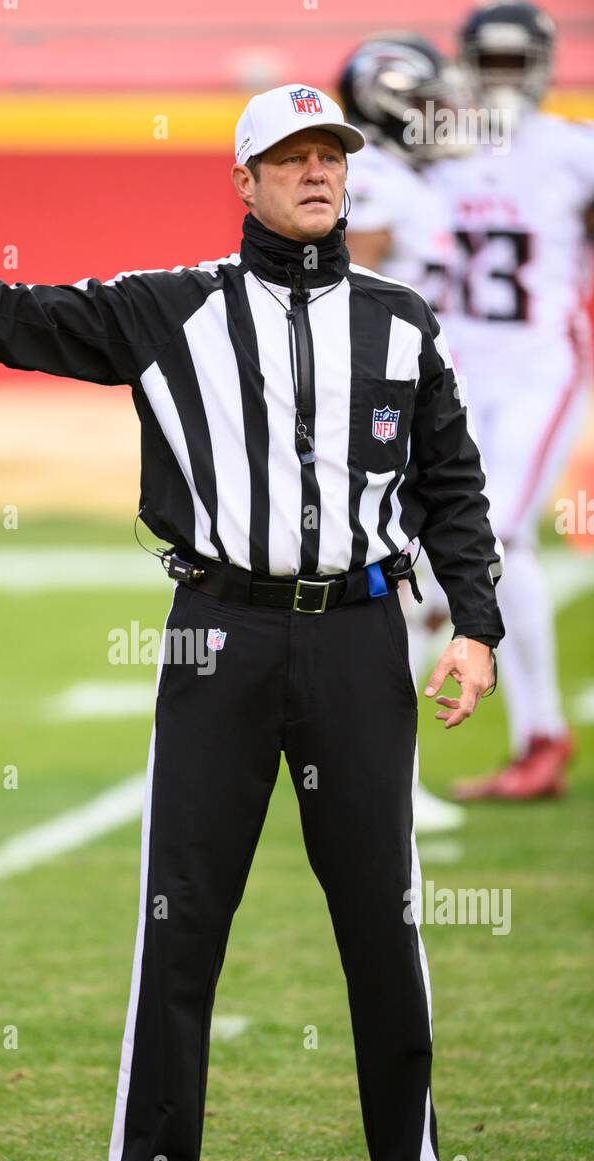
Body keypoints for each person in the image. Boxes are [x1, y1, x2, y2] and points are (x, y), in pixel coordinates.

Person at [0, 82, 504, 1161]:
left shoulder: (403, 319)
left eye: (330, 157)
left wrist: (478, 625)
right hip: (220, 630)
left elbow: (450, 483)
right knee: (182, 910)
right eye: (290, 158)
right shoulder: (169, 310)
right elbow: (7, 314)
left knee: (382, 913)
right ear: (242, 182)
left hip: (360, 635)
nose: (317, 174)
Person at [428, 1, 594, 799]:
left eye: (508, 63)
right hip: (455, 369)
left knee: (493, 532)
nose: (498, 81)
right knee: (473, 538)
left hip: (539, 364)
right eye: (485, 65)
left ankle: (541, 736)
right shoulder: (437, 150)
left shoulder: (572, 150)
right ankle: (539, 739)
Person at [339, 31, 476, 833]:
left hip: (416, 403)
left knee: (413, 603)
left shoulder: (409, 176)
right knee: (396, 595)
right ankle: (382, 787)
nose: (438, 116)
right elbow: (354, 291)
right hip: (386, 412)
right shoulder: (375, 181)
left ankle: (388, 783)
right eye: (421, 101)